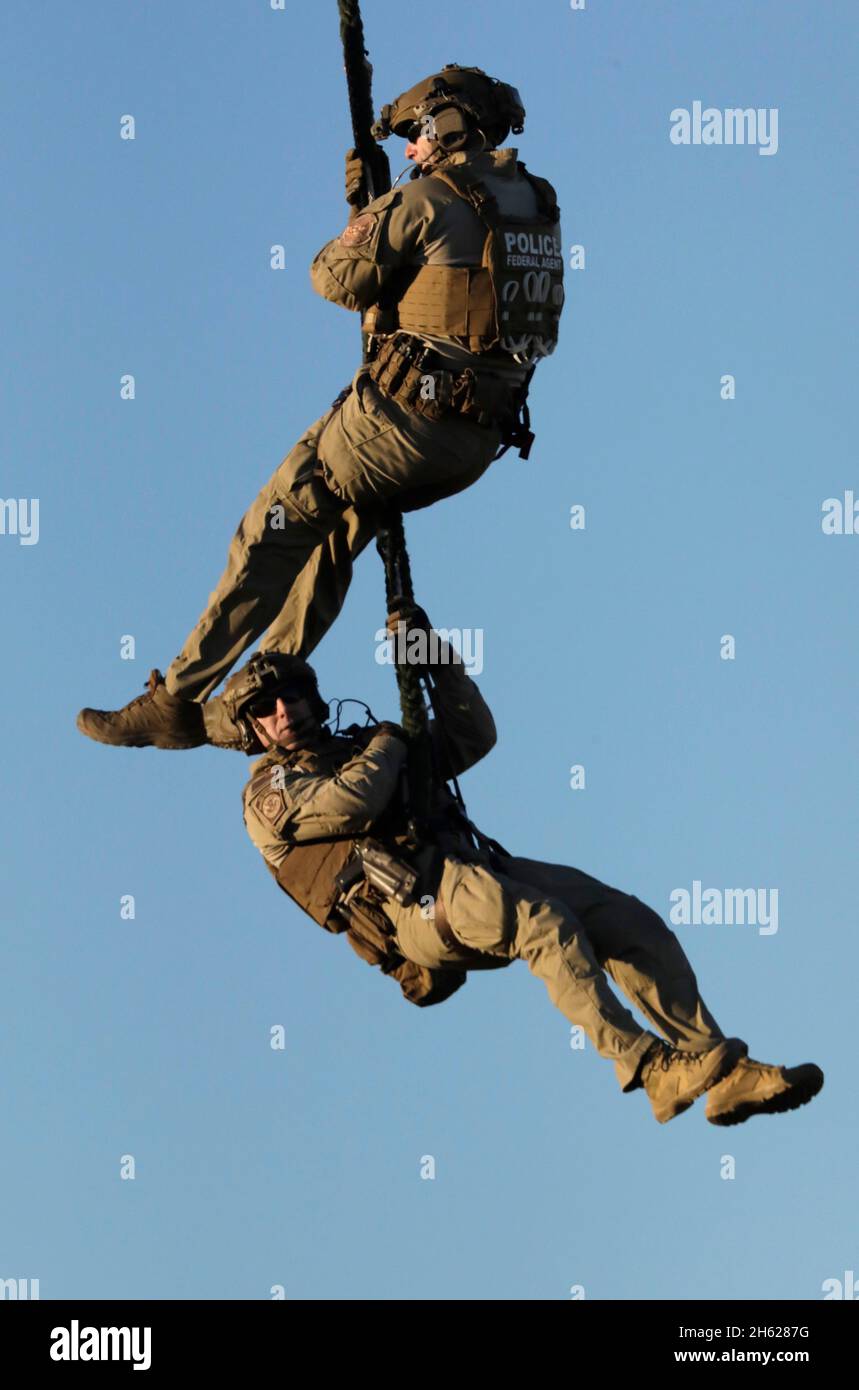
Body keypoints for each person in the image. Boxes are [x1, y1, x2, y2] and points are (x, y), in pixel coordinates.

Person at [76, 64, 565, 752]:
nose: (410, 149)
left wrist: (370, 212)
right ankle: (256, 696)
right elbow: (454, 290)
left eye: (417, 135)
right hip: (473, 444)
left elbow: (335, 280)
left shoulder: (427, 199)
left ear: (450, 126)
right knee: (333, 537)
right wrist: (384, 208)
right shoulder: (535, 203)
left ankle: (178, 698)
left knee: (271, 528)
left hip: (399, 426)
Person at [225, 608, 824, 1128]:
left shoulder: (365, 744)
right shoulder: (268, 796)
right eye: (266, 708)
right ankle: (649, 1068)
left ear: (311, 698)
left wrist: (434, 658)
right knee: (545, 924)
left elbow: (472, 736)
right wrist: (391, 740)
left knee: (625, 921)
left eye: (291, 696)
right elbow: (354, 801)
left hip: (473, 867)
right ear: (254, 727)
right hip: (416, 908)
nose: (283, 711)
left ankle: (722, 1072)